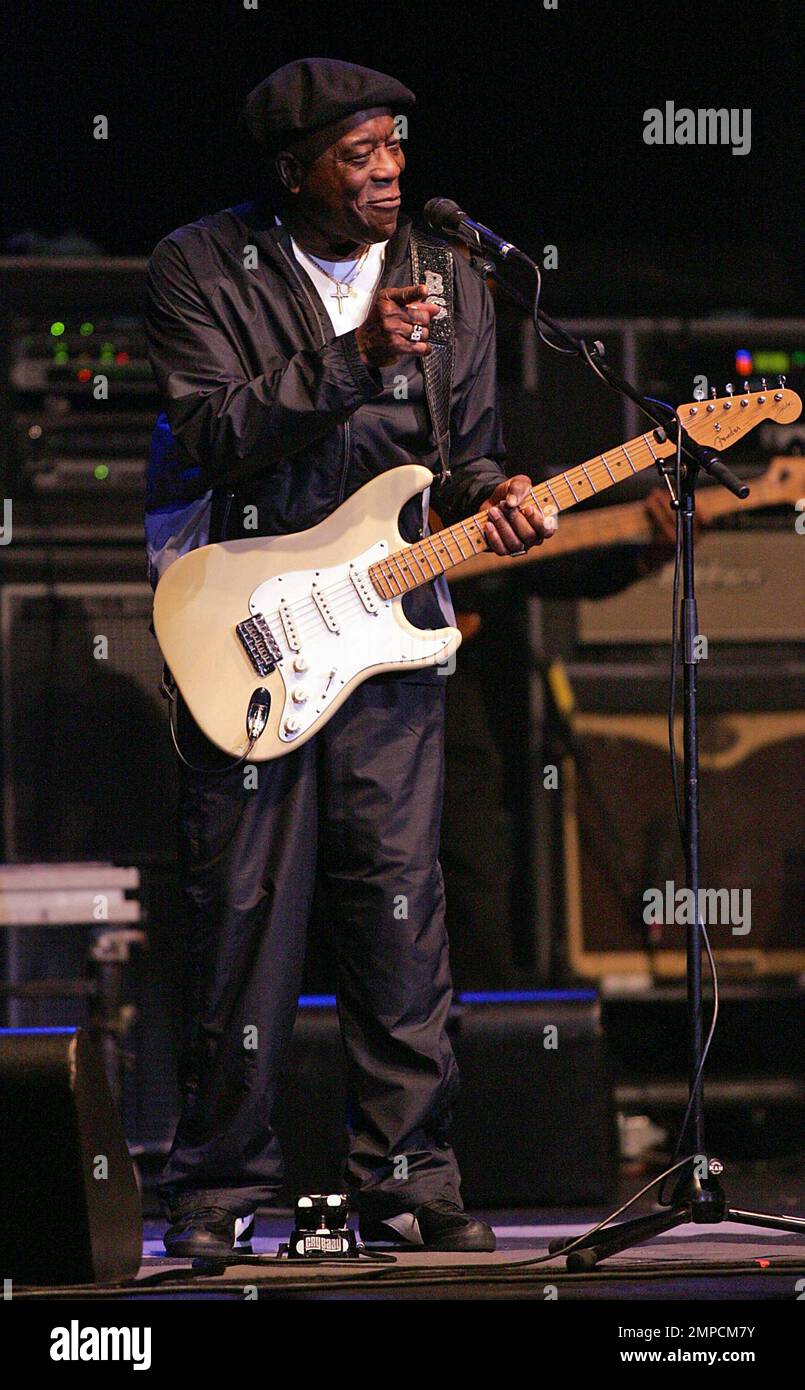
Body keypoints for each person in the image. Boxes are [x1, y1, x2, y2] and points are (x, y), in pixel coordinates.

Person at [145, 57, 555, 1258]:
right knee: (244, 912)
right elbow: (214, 429)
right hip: (249, 619)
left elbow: (461, 454)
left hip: (387, 634)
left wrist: (501, 494)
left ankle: (411, 1174)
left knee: (399, 910)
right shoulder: (201, 266)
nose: (387, 172)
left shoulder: (449, 273)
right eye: (358, 153)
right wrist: (354, 357)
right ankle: (216, 1189)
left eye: (395, 148)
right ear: (294, 170)